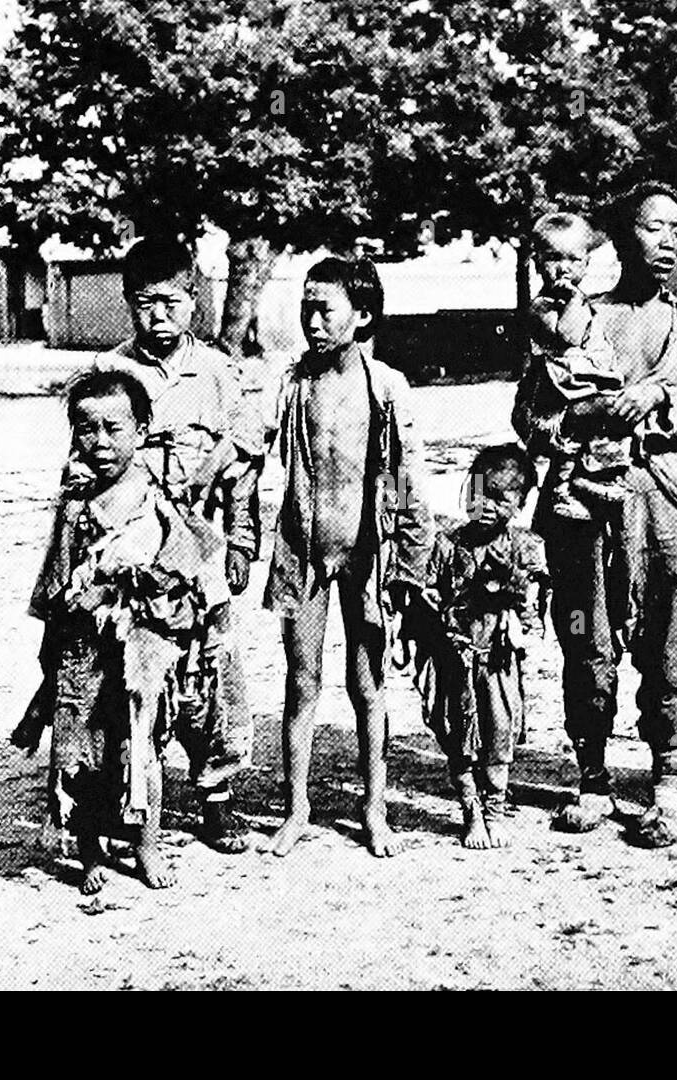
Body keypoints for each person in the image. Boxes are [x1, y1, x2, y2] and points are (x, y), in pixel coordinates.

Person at [512, 181, 677, 848]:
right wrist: (588, 412)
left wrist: (660, 406)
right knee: (588, 640)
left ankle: (666, 785)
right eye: (650, 227)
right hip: (585, 504)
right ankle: (593, 780)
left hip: (664, 500)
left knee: (670, 641)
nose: (664, 242)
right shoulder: (579, 319)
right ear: (621, 235)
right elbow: (529, 413)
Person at [88, 237, 262, 855]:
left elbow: (243, 464)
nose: (157, 316)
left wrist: (240, 540)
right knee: (138, 673)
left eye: (170, 302)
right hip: (133, 556)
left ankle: (215, 796)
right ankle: (133, 799)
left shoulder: (217, 371)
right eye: (143, 304)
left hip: (202, 550)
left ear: (195, 300)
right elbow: (84, 467)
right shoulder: (110, 373)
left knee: (214, 671)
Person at [262, 256, 432, 858]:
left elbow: (409, 479)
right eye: (305, 308)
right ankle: (296, 808)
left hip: (368, 555)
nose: (312, 320)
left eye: (324, 309)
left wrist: (412, 564)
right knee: (301, 680)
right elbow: (255, 451)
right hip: (302, 550)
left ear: (362, 316)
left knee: (368, 683)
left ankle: (374, 808)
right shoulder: (291, 384)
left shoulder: (385, 386)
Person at [19, 369, 206, 893]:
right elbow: (56, 581)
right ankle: (91, 853)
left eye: (113, 428)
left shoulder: (156, 498)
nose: (98, 441)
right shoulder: (75, 505)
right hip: (81, 652)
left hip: (139, 652)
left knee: (140, 748)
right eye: (85, 428)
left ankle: (146, 845)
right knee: (81, 753)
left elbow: (182, 570)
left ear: (142, 429)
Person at [404, 445, 546, 849]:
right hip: (455, 659)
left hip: (498, 662)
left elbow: (532, 603)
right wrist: (427, 600)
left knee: (499, 732)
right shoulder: (447, 545)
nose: (487, 505)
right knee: (457, 732)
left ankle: (496, 807)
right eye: (481, 492)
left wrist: (520, 593)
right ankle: (470, 809)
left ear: (520, 504)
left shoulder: (523, 548)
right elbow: (426, 590)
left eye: (502, 498)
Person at [529, 212, 631, 513]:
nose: (564, 268)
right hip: (555, 392)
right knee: (570, 437)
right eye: (552, 258)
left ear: (587, 264)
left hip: (578, 382)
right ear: (536, 262)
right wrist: (574, 300)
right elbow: (569, 336)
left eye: (574, 260)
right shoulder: (542, 306)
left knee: (603, 425)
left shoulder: (585, 302)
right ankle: (563, 489)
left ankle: (592, 477)